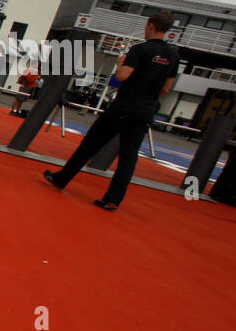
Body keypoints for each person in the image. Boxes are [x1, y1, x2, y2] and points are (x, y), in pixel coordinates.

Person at [43, 11, 179, 210]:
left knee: (90, 145)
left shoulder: (141, 49)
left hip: (124, 106)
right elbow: (166, 88)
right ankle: (113, 199)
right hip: (145, 110)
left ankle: (62, 179)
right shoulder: (173, 56)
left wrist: (119, 64)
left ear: (151, 26)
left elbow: (122, 76)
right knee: (128, 157)